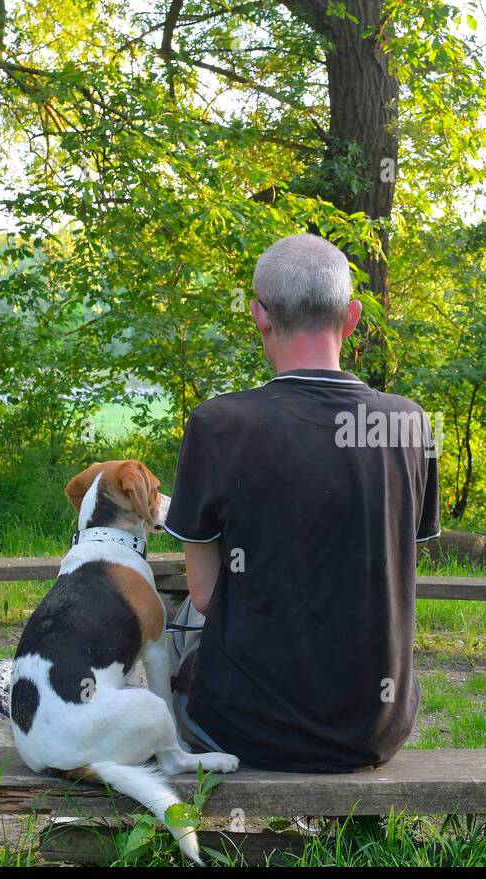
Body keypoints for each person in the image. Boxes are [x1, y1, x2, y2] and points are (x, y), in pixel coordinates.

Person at [163, 233, 440, 773]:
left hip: (243, 729)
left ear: (260, 316)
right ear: (353, 317)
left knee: (179, 631)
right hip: (374, 731)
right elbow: (394, 575)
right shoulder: (407, 422)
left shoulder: (218, 425)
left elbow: (202, 596)